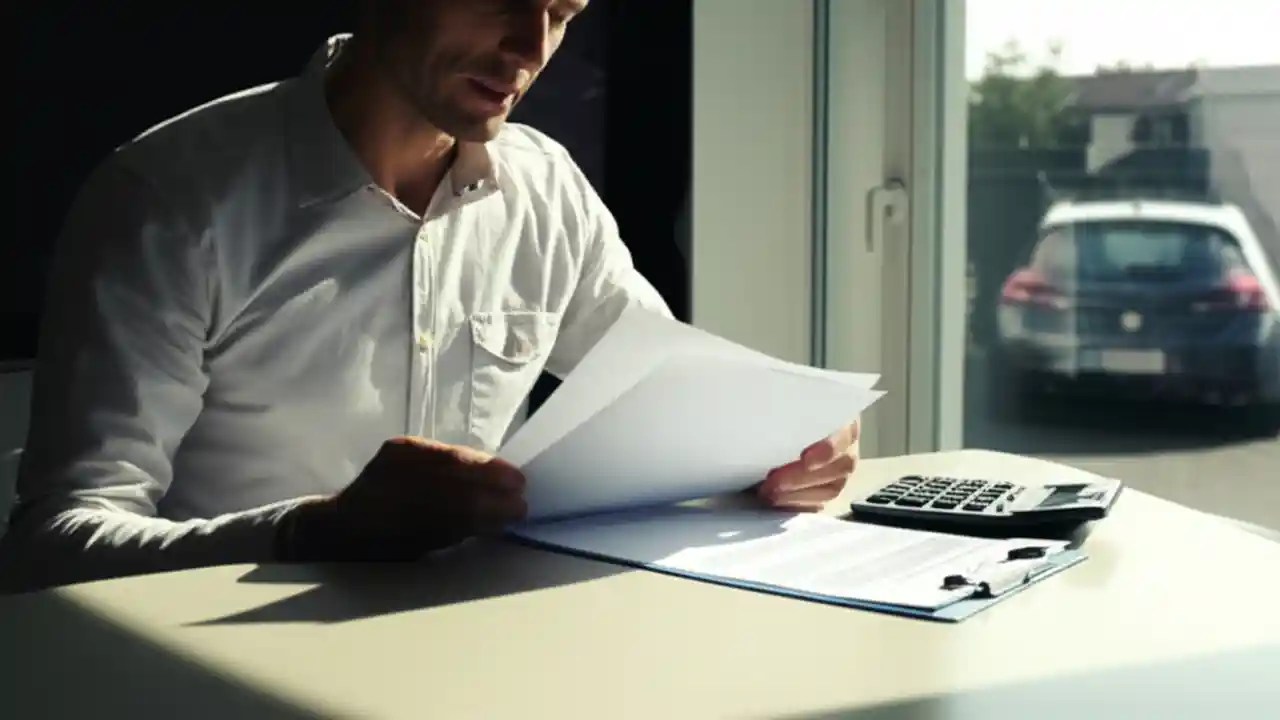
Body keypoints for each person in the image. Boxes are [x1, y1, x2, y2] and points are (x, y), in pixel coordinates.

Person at [0, 0, 860, 593]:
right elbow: (51, 549)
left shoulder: (546, 190)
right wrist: (312, 532)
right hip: (216, 683)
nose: (530, 48)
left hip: (482, 665)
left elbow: (675, 395)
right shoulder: (168, 200)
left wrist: (782, 436)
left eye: (563, 13)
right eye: (504, 0)